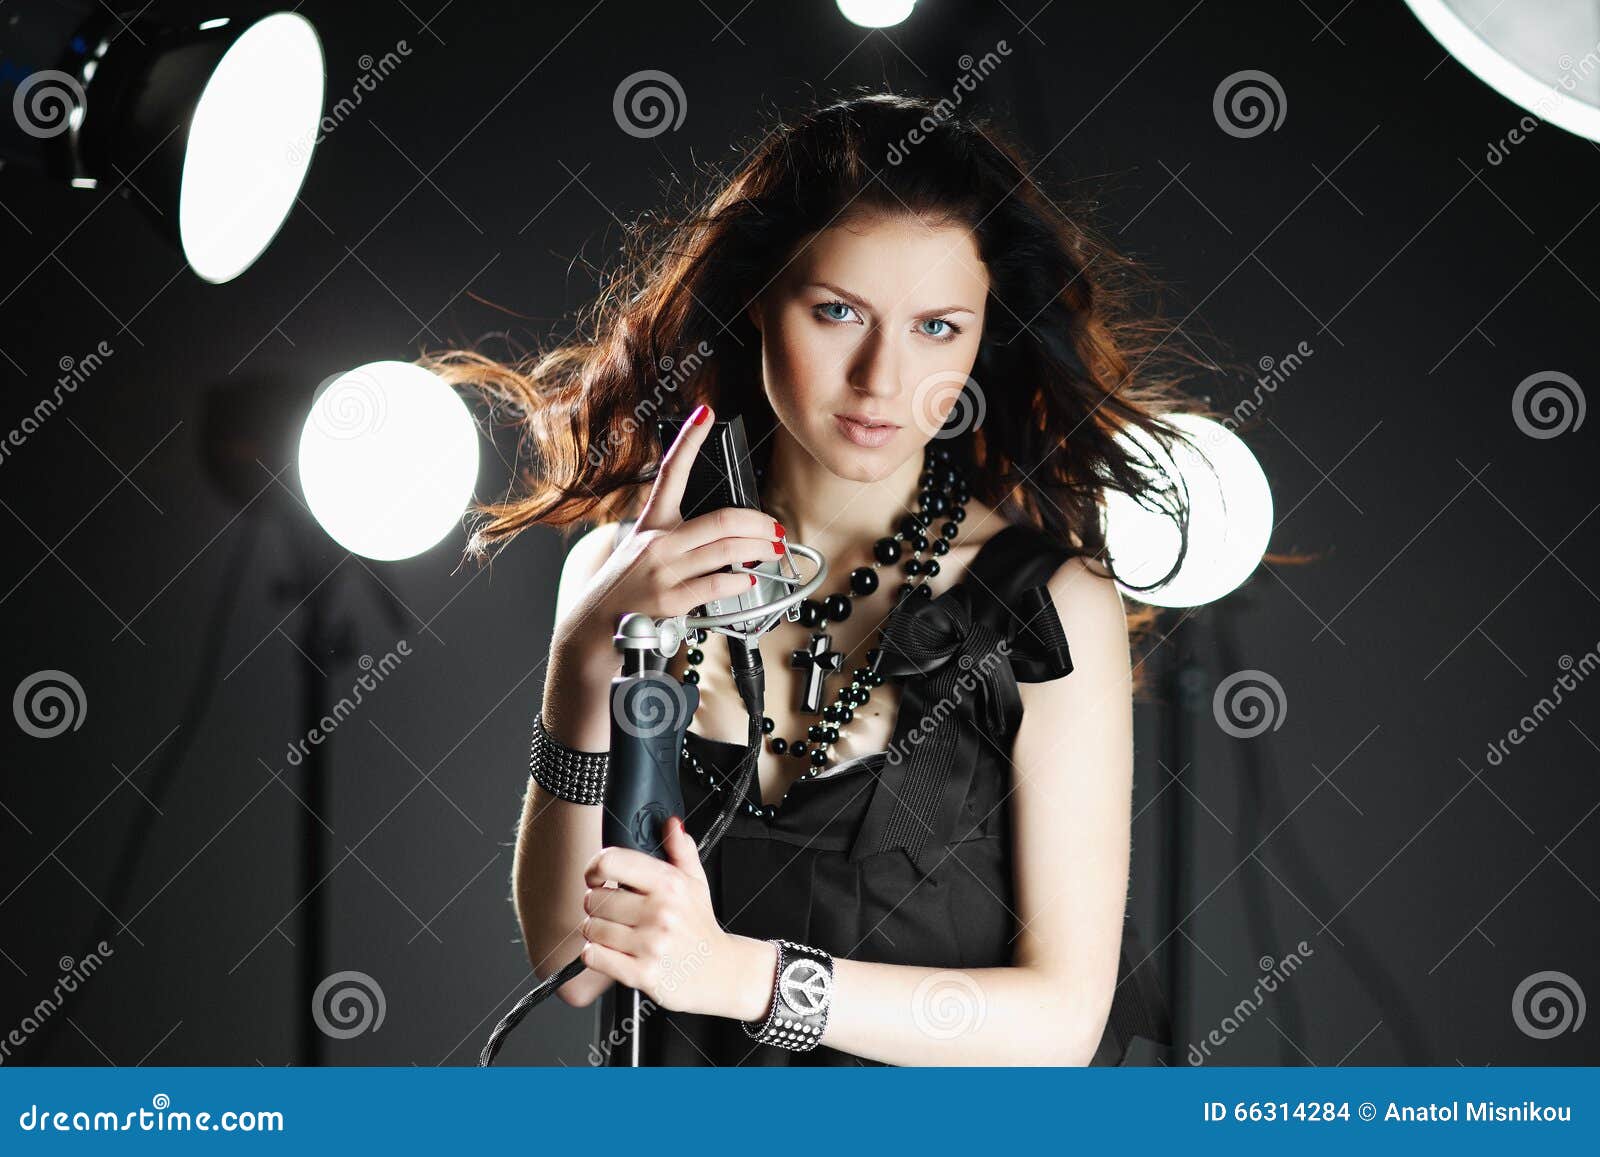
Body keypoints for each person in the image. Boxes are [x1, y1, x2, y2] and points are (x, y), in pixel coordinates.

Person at [424, 93, 1192, 1065]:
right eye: (838, 312)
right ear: (759, 300)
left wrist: (738, 975)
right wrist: (585, 658)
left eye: (937, 327)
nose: (883, 376)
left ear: (985, 332)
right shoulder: (624, 580)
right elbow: (574, 960)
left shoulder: (1048, 606)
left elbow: (1060, 1022)